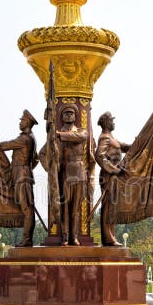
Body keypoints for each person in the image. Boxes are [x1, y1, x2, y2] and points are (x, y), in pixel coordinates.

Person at [0, 110, 39, 246]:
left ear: (27, 123)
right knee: (27, 208)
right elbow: (36, 159)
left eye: (22, 120)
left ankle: (27, 240)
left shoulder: (24, 139)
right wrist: (27, 168)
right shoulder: (30, 138)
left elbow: (4, 146)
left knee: (27, 209)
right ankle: (27, 239)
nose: (20, 122)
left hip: (22, 178)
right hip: (23, 175)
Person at [95, 111, 130, 246]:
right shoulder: (105, 137)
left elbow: (124, 147)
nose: (113, 122)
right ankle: (108, 238)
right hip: (109, 176)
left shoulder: (111, 137)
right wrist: (113, 169)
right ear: (106, 122)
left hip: (114, 176)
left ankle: (111, 236)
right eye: (112, 120)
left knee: (112, 207)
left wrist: (141, 141)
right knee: (108, 206)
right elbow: (99, 155)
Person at [55, 104, 88, 245]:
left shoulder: (81, 131)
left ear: (75, 116)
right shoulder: (54, 136)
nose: (69, 115)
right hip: (64, 172)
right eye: (66, 113)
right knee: (64, 207)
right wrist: (50, 168)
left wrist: (58, 135)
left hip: (79, 172)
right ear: (61, 117)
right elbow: (43, 153)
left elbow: (79, 137)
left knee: (76, 208)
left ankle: (74, 236)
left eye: (71, 113)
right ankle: (65, 236)